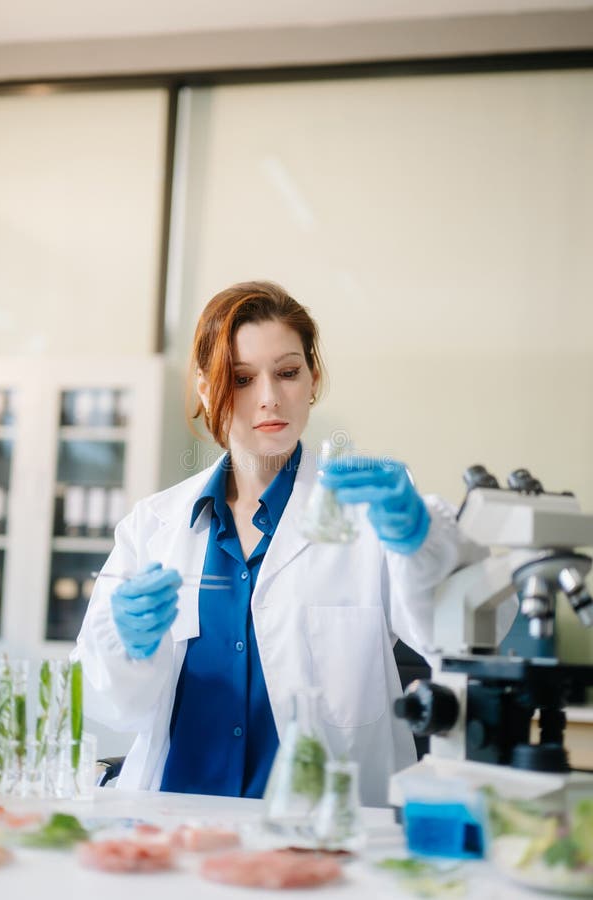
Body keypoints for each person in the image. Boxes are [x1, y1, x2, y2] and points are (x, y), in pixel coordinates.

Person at [74, 280, 482, 806]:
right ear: (205, 388)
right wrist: (125, 644)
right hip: (176, 822)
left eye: (287, 372)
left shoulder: (364, 513)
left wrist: (422, 543)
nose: (269, 397)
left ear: (312, 379)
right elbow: (108, 703)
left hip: (320, 835)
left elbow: (465, 635)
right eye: (241, 378)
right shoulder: (152, 526)